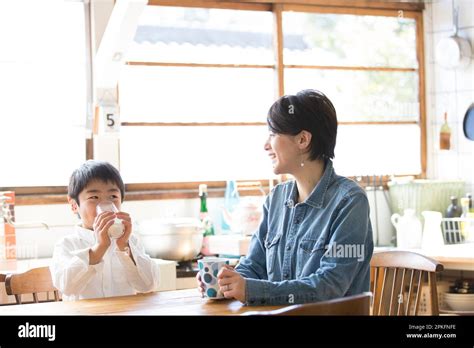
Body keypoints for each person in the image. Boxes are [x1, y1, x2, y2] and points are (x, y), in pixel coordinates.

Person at [197, 89, 373, 305]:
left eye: (273, 134)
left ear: (302, 139)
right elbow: (254, 265)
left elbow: (330, 285)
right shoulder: (276, 200)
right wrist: (226, 282)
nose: (265, 145)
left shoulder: (350, 201)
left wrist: (250, 290)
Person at [51, 160, 159, 300]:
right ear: (74, 205)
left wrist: (125, 248)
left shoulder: (130, 241)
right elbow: (67, 287)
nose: (105, 204)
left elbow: (149, 285)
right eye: (94, 197)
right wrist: (99, 247)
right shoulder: (67, 245)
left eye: (113, 197)